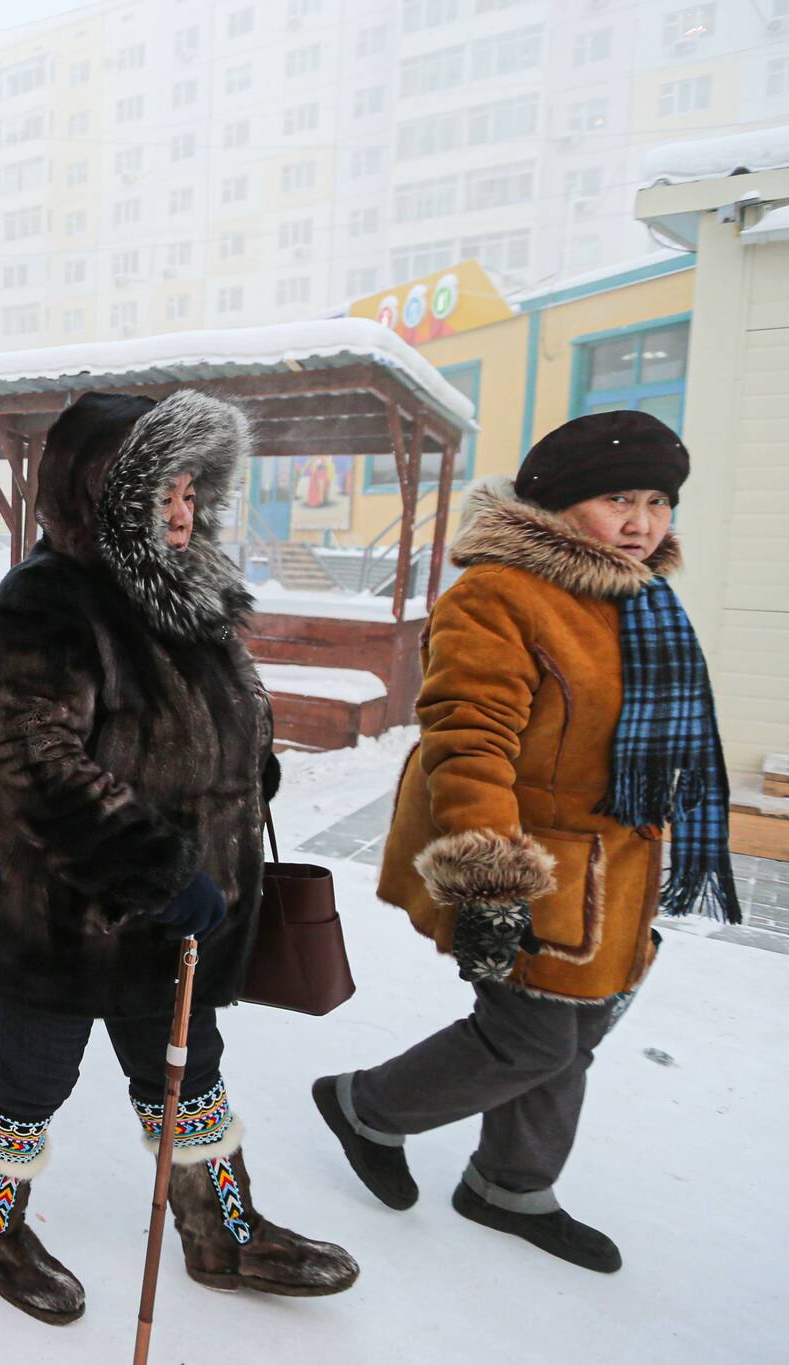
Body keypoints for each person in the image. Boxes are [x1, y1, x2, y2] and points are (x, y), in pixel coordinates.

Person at [0, 391, 357, 1325]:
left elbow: (215, 715)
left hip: (177, 913)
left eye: (187, 490)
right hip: (57, 910)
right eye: (155, 492)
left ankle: (222, 1232)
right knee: (26, 1073)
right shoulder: (47, 601)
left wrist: (249, 772)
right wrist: (159, 869)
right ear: (97, 495)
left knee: (188, 1069)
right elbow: (35, 761)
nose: (177, 511)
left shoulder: (186, 588)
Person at [316, 410, 738, 1274]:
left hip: (615, 867)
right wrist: (490, 883)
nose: (642, 522)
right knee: (535, 1037)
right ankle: (367, 1107)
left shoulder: (640, 600)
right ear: (556, 500)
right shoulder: (499, 594)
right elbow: (467, 741)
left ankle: (510, 1185)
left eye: (658, 500)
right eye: (617, 497)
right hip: (530, 863)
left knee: (575, 1033)